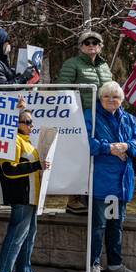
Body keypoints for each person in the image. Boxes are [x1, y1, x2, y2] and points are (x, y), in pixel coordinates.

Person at [87, 81, 136, 272]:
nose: (111, 100)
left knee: (116, 225)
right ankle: (93, 265)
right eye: (107, 96)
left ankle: (115, 264)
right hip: (101, 181)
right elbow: (88, 142)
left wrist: (125, 146)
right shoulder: (91, 116)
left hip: (122, 182)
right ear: (100, 98)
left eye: (116, 97)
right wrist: (110, 148)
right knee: (98, 226)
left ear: (121, 100)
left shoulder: (129, 119)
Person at [0, 106, 49, 272]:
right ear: (16, 123)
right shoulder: (14, 141)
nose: (31, 125)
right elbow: (8, 170)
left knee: (28, 236)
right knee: (16, 236)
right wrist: (36, 165)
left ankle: (24, 271)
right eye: (27, 122)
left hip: (31, 197)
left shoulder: (26, 142)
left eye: (31, 122)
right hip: (22, 197)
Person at [58, 30, 115, 216]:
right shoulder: (72, 64)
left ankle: (92, 197)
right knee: (78, 158)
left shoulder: (105, 66)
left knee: (98, 156)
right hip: (81, 117)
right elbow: (63, 90)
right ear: (81, 46)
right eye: (87, 42)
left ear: (101, 46)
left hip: (103, 118)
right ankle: (73, 200)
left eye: (95, 42)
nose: (91, 45)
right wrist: (75, 114)